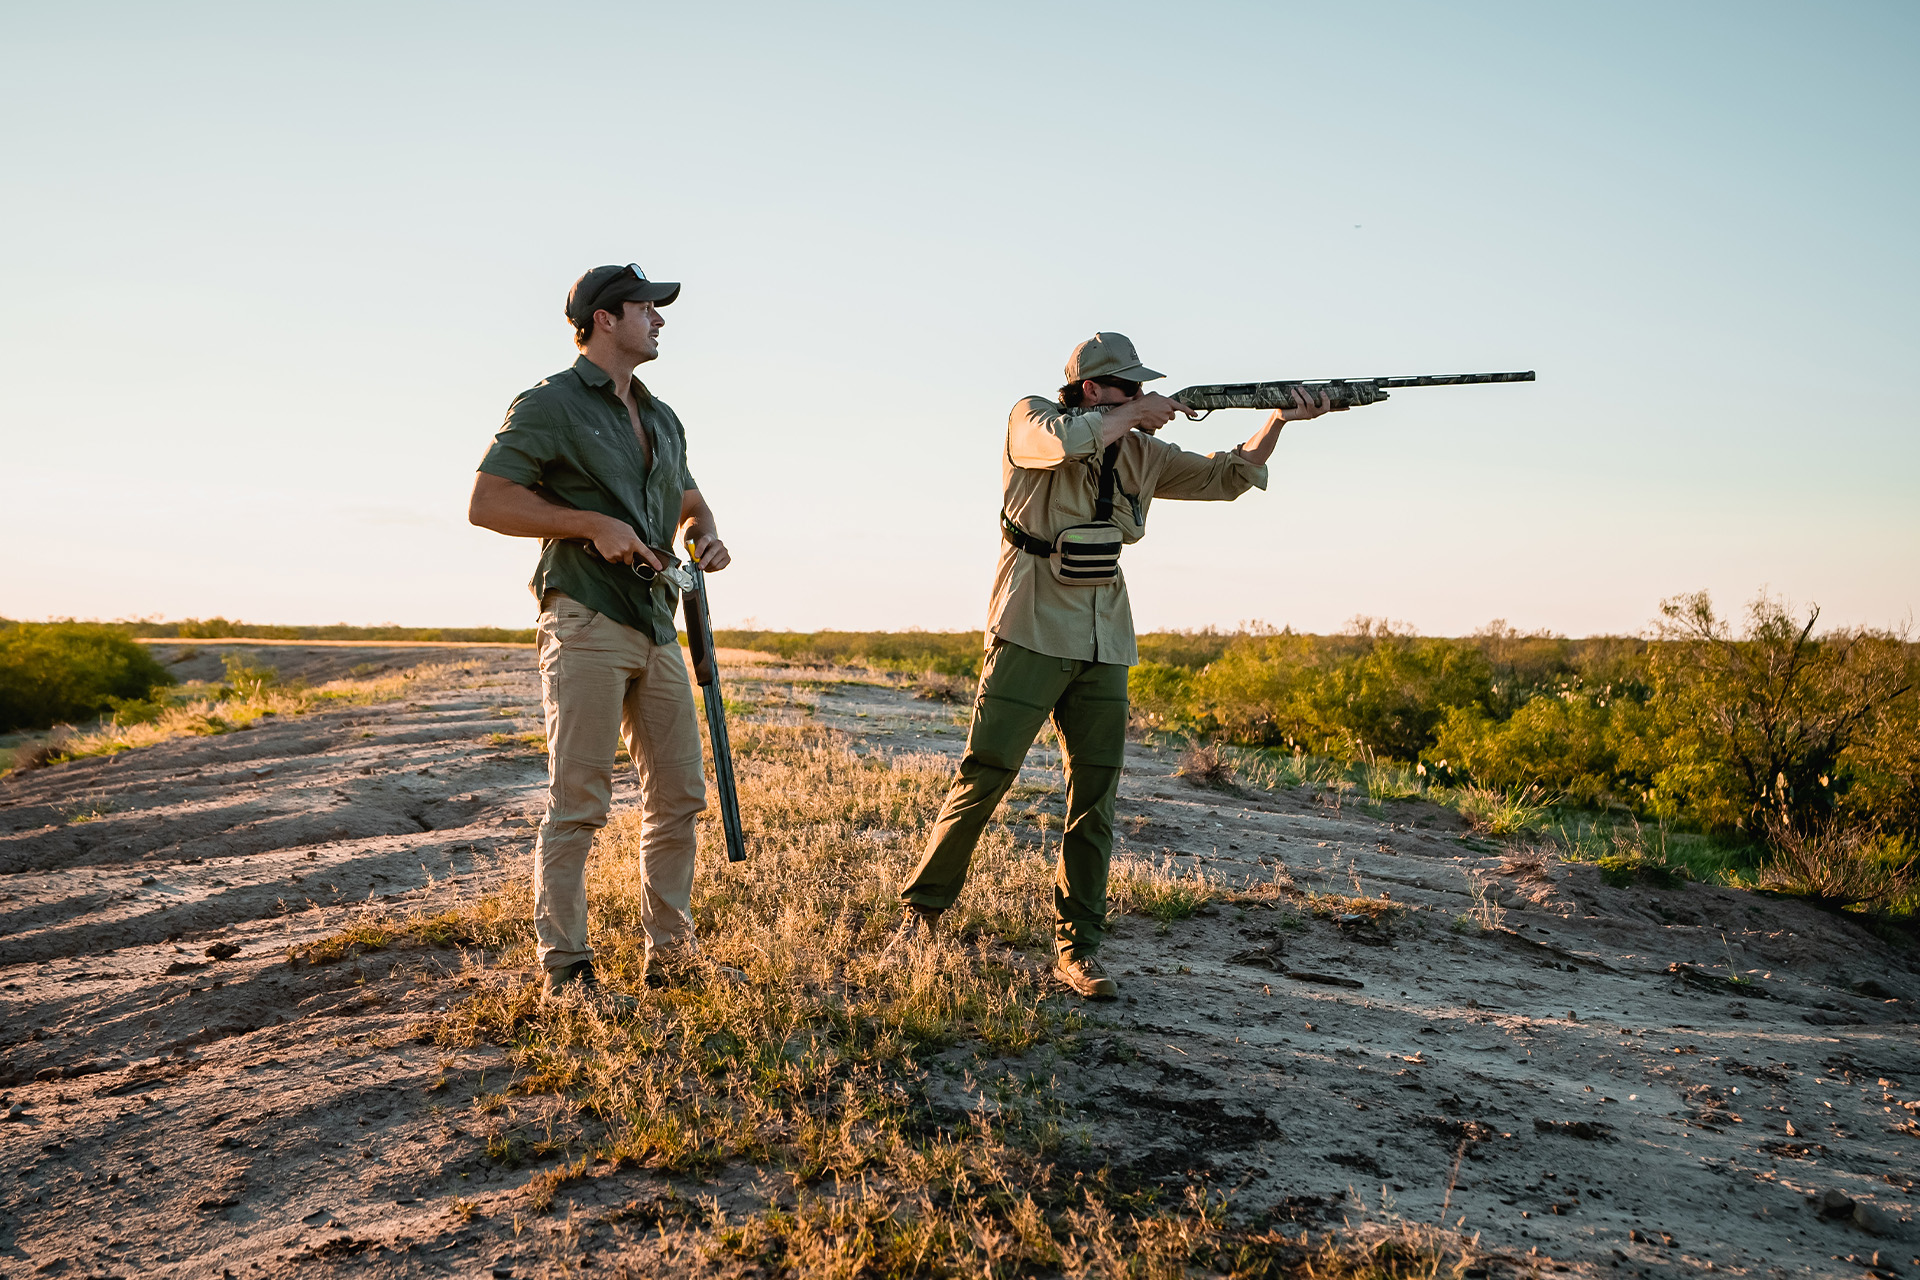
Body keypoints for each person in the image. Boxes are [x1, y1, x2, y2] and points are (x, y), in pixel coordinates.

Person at [886, 332, 1330, 999]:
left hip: (1106, 641)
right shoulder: (1032, 417)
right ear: (1092, 389)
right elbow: (1060, 443)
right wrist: (1134, 414)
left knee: (1095, 800)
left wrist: (1278, 422)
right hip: (1030, 627)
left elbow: (1226, 478)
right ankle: (919, 916)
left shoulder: (1144, 451)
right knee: (985, 776)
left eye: (1144, 389)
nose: (1144, 397)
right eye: (1130, 387)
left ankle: (1078, 949)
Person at [468, 263, 736, 1002]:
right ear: (605, 319)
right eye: (648, 308)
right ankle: (566, 970)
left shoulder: (662, 415)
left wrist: (705, 534)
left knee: (679, 796)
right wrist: (590, 523)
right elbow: (488, 503)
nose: (660, 320)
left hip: (658, 623)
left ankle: (671, 957)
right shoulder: (549, 403)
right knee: (579, 801)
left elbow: (689, 498)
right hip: (585, 617)